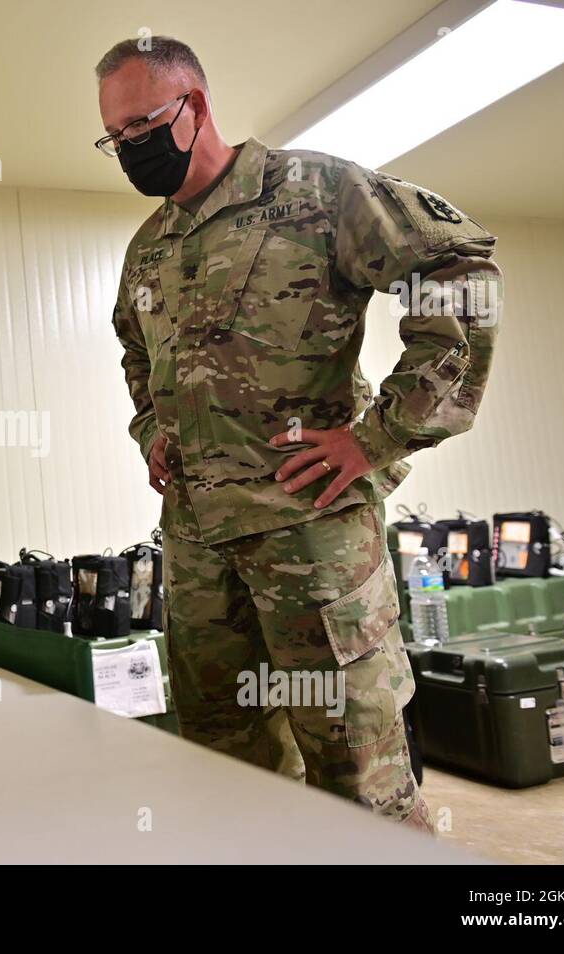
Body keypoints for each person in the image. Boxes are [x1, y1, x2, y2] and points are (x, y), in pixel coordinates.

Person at [97, 36, 502, 830]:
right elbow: (134, 351)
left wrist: (380, 438)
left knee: (359, 781)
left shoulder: (316, 190)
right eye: (116, 137)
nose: (130, 149)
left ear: (196, 107)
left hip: (311, 543)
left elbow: (458, 272)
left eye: (142, 126)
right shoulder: (149, 247)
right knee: (225, 771)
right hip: (199, 551)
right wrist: (153, 427)